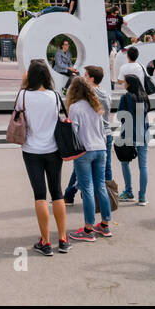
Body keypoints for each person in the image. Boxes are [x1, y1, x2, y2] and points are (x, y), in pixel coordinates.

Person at [16, 60, 70, 254]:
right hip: (54, 149)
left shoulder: (23, 95)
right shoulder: (54, 96)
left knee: (40, 195)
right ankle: (63, 239)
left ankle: (46, 242)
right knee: (57, 192)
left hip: (31, 150)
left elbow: (17, 113)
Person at [66, 74, 112, 241]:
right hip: (101, 148)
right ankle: (105, 225)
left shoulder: (75, 108)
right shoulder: (95, 105)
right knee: (100, 186)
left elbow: (74, 133)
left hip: (85, 151)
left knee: (87, 189)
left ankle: (88, 229)